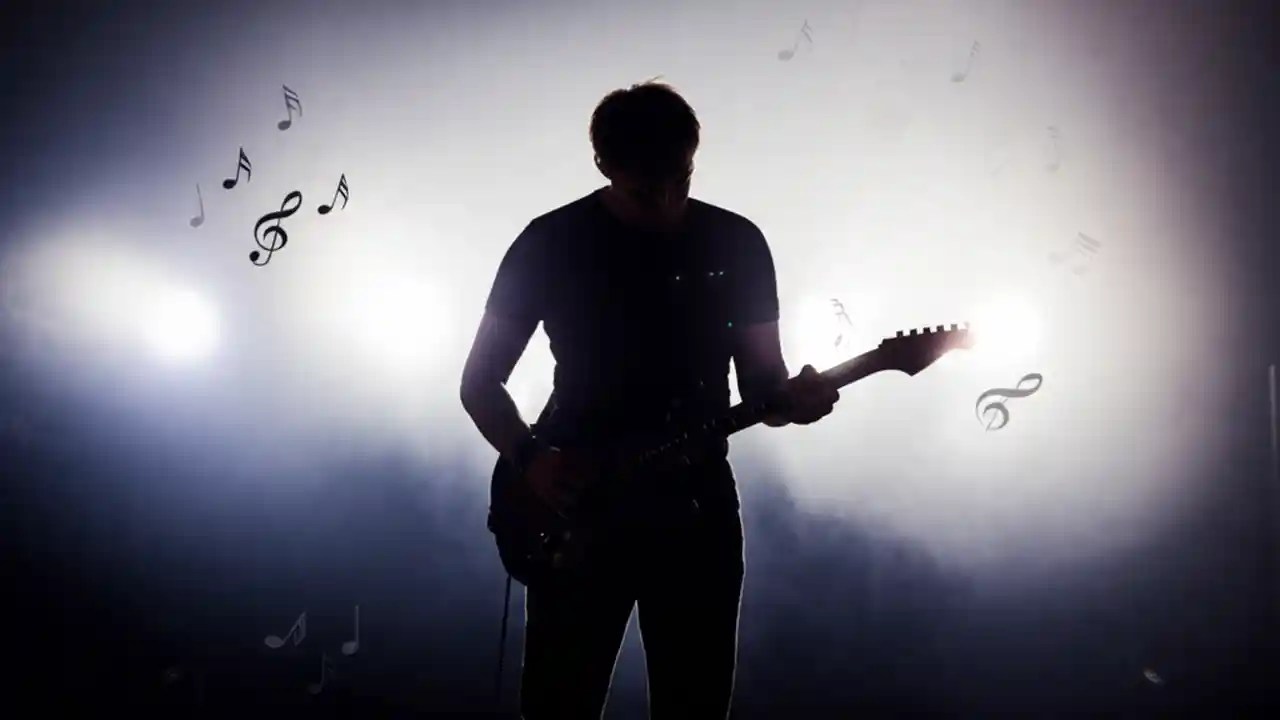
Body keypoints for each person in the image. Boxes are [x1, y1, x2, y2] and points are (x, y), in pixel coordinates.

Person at [460, 79, 839, 719]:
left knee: (695, 705)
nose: (665, 202)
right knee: (559, 705)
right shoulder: (550, 242)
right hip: (579, 502)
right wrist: (533, 460)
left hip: (694, 507)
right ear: (604, 166)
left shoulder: (737, 243)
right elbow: (478, 382)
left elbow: (762, 389)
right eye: (644, 189)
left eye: (680, 180)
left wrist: (796, 403)